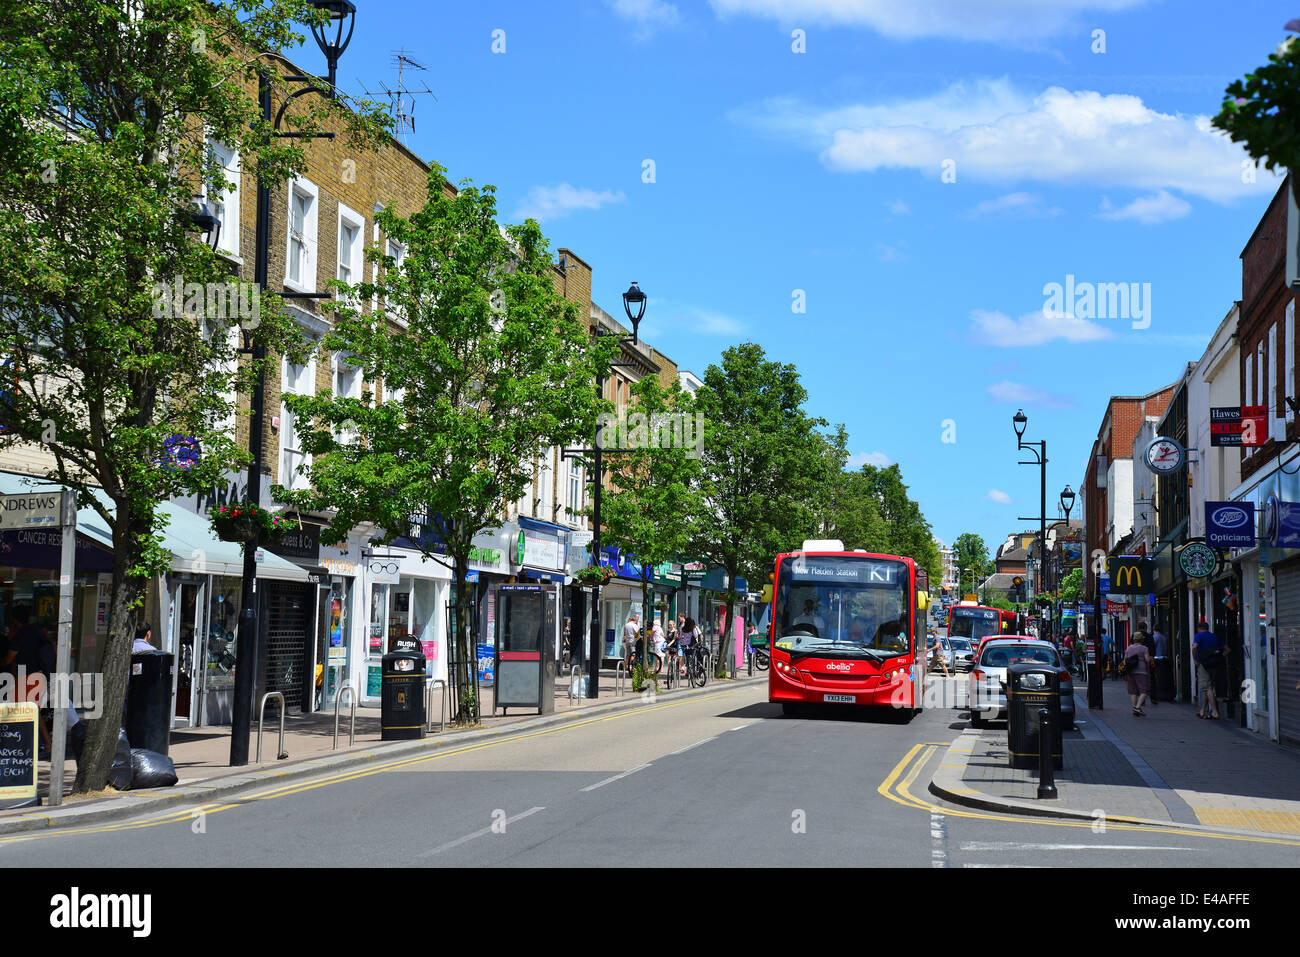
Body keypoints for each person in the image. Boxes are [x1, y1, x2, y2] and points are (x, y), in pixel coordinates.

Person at [1193, 618, 1222, 719]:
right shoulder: (1214, 636)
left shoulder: (1198, 636)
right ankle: (1202, 710)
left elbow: (1194, 647)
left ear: (1199, 628)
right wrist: (1220, 658)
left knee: (1207, 687)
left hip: (1203, 664)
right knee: (1208, 686)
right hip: (1214, 664)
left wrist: (1194, 659)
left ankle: (1214, 711)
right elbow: (1226, 649)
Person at [1123, 632, 1154, 716]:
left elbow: (1125, 659)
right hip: (1142, 671)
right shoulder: (1144, 648)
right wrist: (1150, 659)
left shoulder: (1128, 648)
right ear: (1142, 639)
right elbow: (1147, 659)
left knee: (1133, 691)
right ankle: (1137, 707)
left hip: (1131, 671)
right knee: (1144, 690)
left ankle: (1135, 709)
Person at [1151, 624, 1168, 705]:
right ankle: (1164, 692)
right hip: (1164, 658)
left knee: (1156, 677)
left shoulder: (1154, 637)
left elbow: (1153, 647)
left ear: (1153, 629)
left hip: (1156, 659)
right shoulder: (1164, 637)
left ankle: (1158, 694)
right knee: (1163, 677)